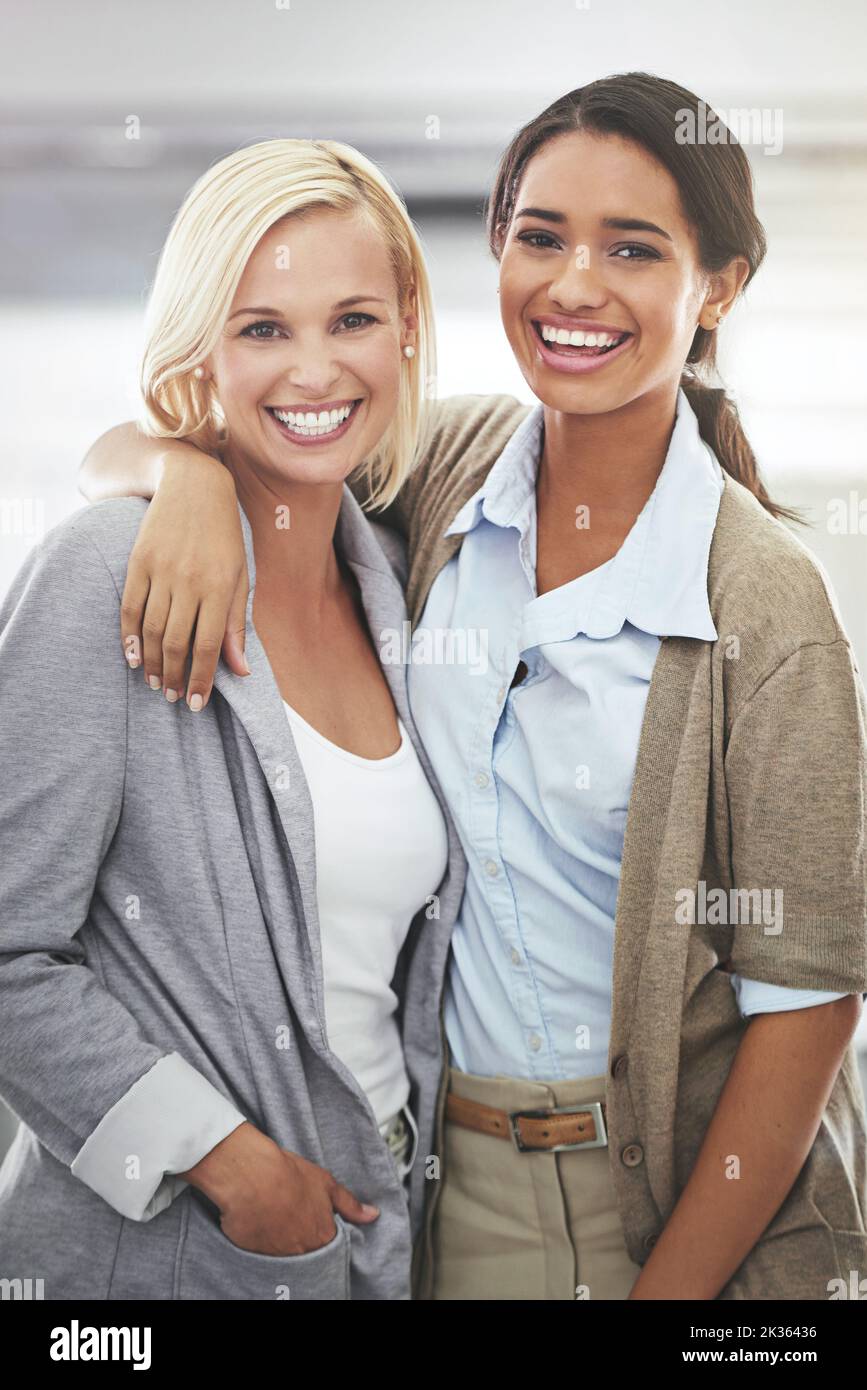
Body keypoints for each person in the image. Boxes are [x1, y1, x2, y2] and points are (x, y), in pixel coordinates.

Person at [78, 73, 867, 1301]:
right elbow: (263, 420)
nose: (575, 286)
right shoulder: (448, 473)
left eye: (634, 249)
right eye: (541, 237)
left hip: (682, 1207)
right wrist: (179, 480)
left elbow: (809, 1001)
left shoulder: (766, 605)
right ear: (493, 248)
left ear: (718, 287)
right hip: (453, 1191)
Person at [0, 137, 467, 1301]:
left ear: (408, 322)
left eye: (351, 318)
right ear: (202, 347)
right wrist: (234, 1166)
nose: (314, 370)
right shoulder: (108, 570)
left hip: (381, 1245)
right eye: (263, 328)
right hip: (170, 1261)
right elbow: (8, 949)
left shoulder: (405, 583)